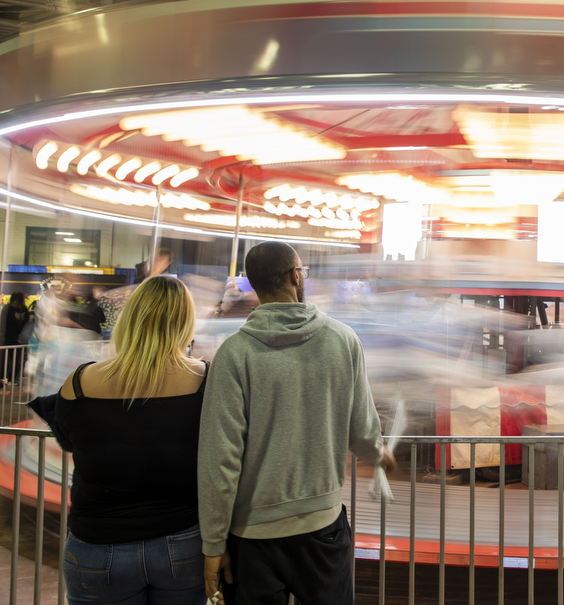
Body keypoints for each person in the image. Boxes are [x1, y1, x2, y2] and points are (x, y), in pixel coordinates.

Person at [198, 241, 395, 605]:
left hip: (251, 535)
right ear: (295, 275)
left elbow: (219, 458)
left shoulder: (233, 355)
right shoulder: (343, 340)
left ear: (254, 285)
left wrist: (213, 542)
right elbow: (362, 431)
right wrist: (378, 452)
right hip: (321, 527)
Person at [55, 276, 209, 605]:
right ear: (185, 324)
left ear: (130, 318)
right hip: (182, 543)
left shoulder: (79, 383)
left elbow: (71, 440)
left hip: (97, 546)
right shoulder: (206, 382)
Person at [1, 291, 29, 385]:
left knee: (7, 358)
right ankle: (13, 378)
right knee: (17, 359)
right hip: (20, 338)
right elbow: (26, 324)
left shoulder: (8, 308)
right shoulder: (24, 309)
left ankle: (6, 378)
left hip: (8, 337)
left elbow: (3, 322)